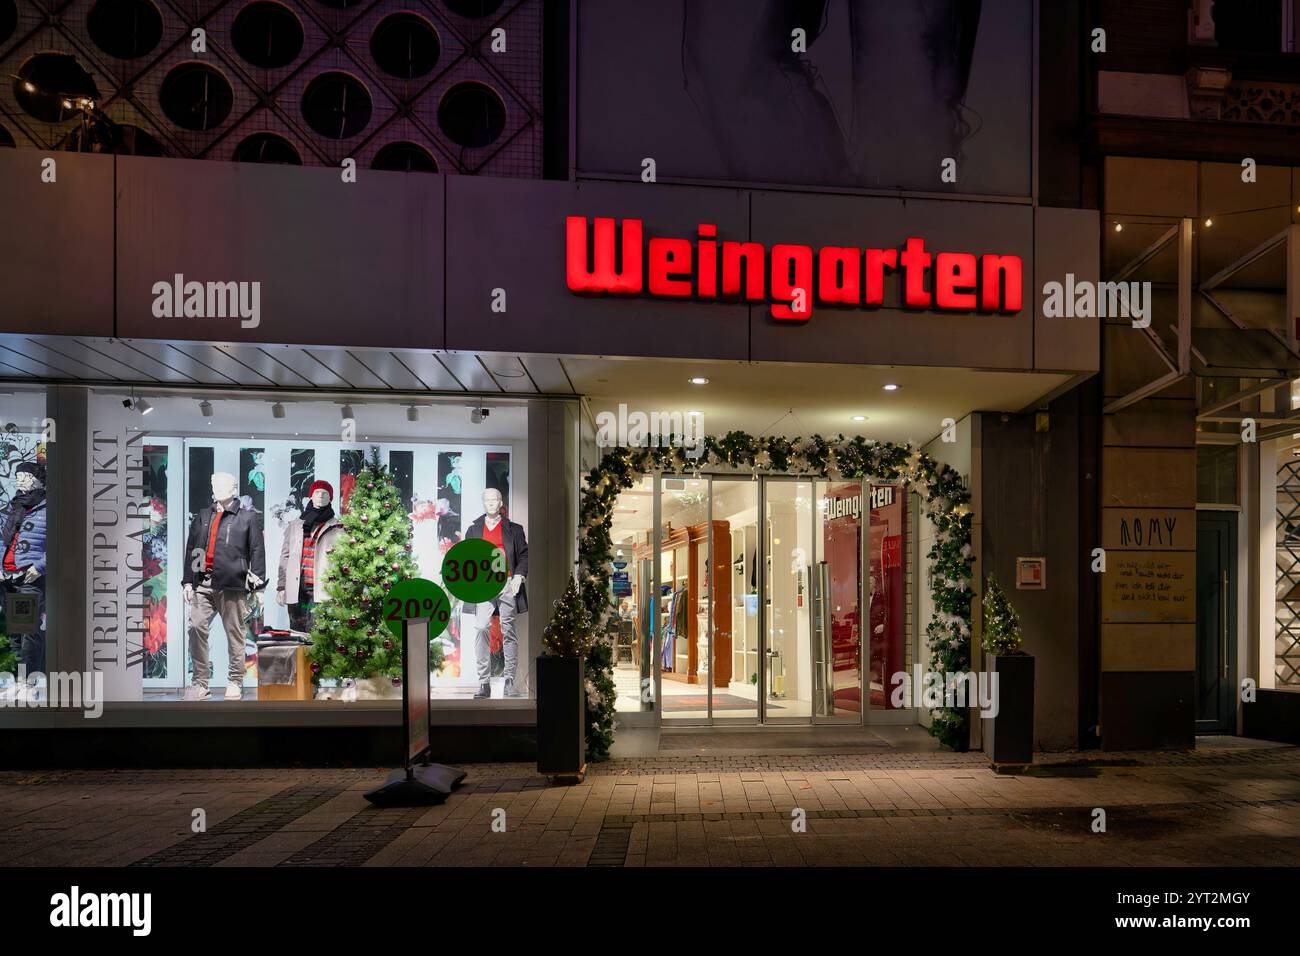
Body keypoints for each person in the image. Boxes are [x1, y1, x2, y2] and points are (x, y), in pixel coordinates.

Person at [465, 488, 527, 699]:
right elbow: (467, 558)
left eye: (495, 499)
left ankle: (509, 680)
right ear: (483, 503)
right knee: (481, 627)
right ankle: (484, 683)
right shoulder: (474, 530)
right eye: (488, 500)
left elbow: (523, 555)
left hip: (506, 583)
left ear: (501, 502)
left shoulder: (515, 529)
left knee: (508, 630)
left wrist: (519, 576)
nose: (491, 503)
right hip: (483, 584)